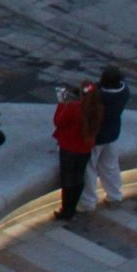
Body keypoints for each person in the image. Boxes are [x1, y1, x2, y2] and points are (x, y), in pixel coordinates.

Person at [52, 81, 103, 220]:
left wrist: (62, 103)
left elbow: (58, 121)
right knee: (79, 176)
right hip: (85, 148)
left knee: (68, 178)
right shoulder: (97, 109)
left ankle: (66, 210)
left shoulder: (74, 108)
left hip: (69, 147)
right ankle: (73, 207)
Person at [81, 66, 129, 213]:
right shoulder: (124, 91)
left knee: (89, 169)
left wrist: (84, 88)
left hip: (95, 137)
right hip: (112, 134)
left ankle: (88, 202)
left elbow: (86, 93)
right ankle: (114, 195)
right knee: (110, 166)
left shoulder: (99, 95)